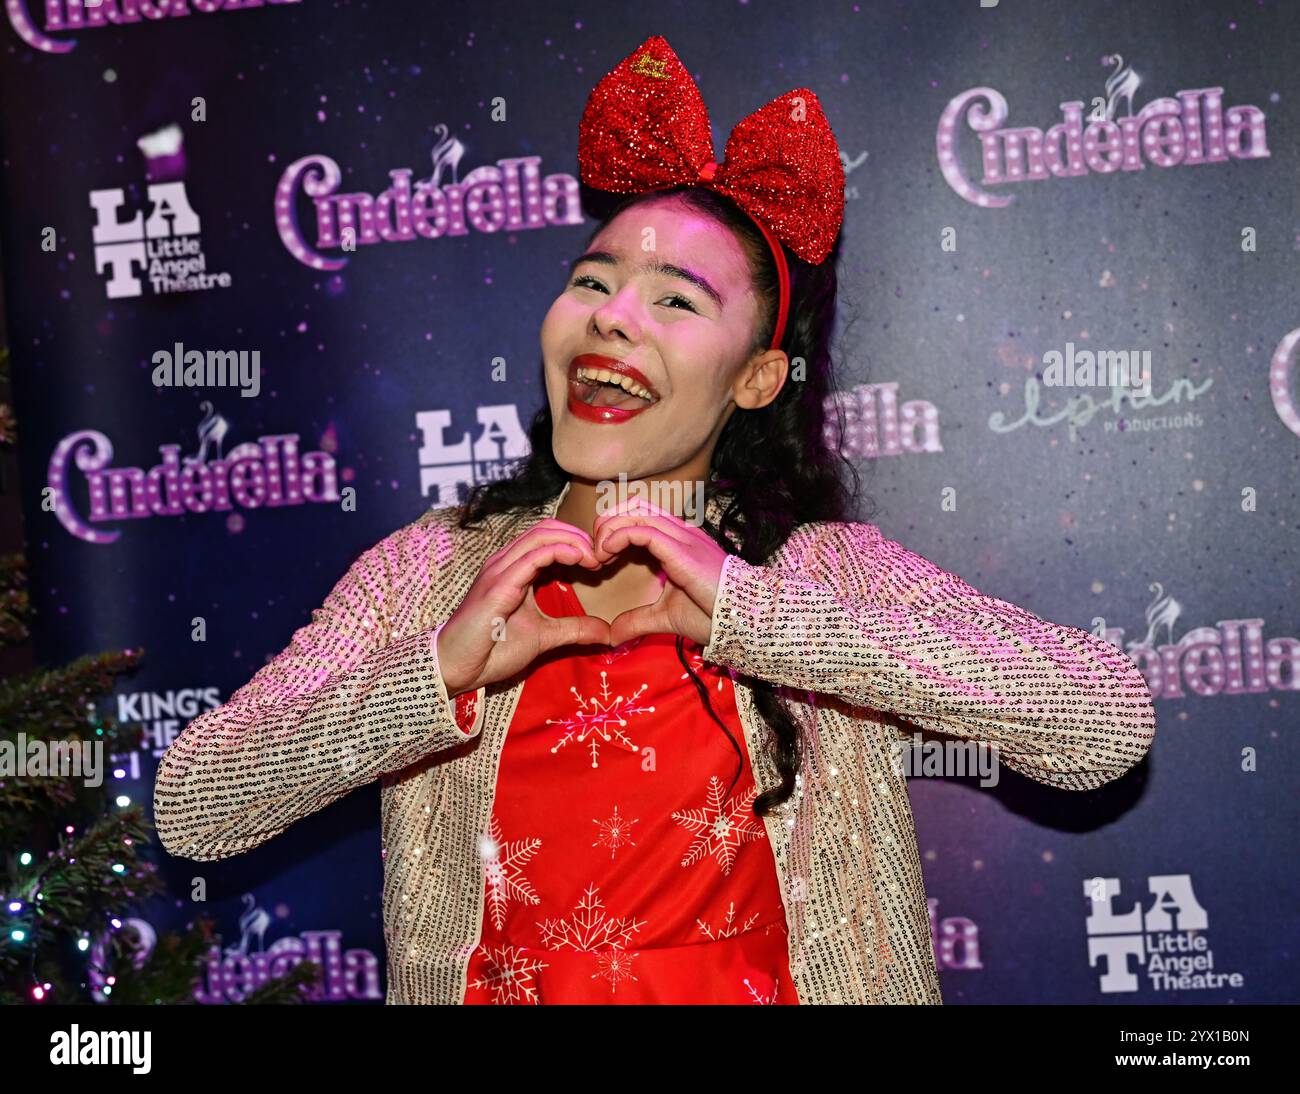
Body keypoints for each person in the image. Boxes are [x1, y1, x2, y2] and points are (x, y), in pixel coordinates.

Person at [153, 35, 1156, 1005]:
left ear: (756, 377)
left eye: (675, 299)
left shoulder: (821, 575)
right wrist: (436, 669)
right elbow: (196, 809)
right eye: (592, 281)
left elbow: (1102, 727)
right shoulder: (420, 572)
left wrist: (752, 613)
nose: (611, 315)